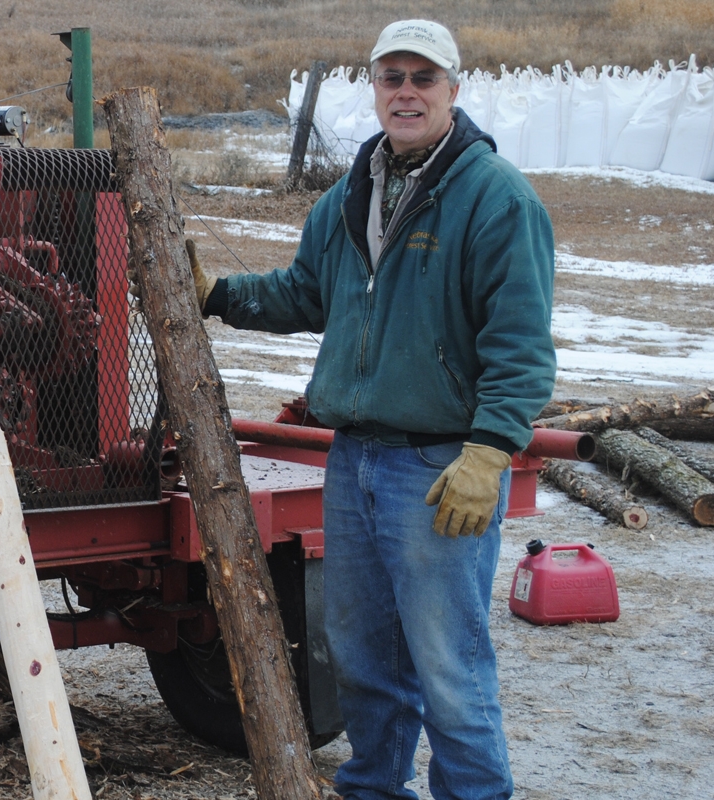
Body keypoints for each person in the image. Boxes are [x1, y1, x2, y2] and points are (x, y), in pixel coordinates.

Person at [190, 19, 556, 800]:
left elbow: (521, 345)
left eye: (423, 78)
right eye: (392, 77)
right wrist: (216, 296)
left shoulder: (495, 199)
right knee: (362, 661)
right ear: (375, 89)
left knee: (447, 666)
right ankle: (374, 791)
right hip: (351, 458)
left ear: (454, 89)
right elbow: (305, 294)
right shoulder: (351, 194)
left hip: (436, 469)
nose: (407, 92)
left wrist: (488, 453)